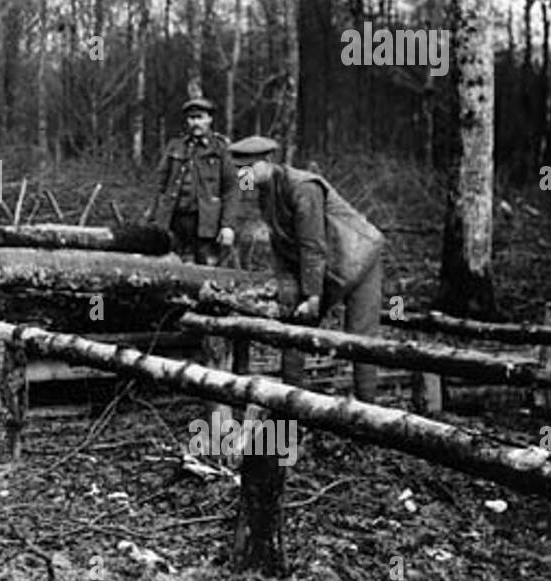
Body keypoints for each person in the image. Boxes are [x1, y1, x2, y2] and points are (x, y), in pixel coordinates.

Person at [228, 135, 386, 401]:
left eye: (249, 168)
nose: (244, 175)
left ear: (268, 161)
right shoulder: (266, 191)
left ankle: (369, 413)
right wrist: (288, 287)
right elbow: (281, 243)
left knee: (362, 339)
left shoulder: (303, 188)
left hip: (360, 258)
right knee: (295, 333)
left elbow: (311, 243)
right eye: (239, 170)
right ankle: (292, 409)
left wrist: (312, 296)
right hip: (325, 264)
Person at [153, 95, 239, 265]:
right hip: (174, 219)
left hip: (207, 222)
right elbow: (160, 184)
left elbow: (233, 189)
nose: (195, 123)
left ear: (210, 119)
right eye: (192, 118)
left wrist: (228, 225)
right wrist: (154, 217)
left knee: (207, 269)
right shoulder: (175, 146)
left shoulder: (222, 149)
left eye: (200, 118)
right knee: (170, 265)